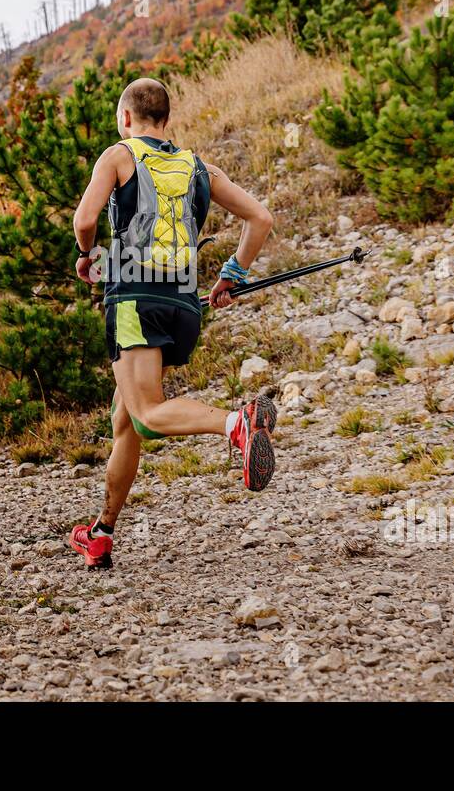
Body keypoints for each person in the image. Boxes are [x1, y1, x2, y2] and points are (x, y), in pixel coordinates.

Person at [67, 76, 275, 569]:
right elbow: (260, 219)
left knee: (146, 413)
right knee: (125, 420)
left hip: (135, 301)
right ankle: (101, 533)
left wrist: (88, 256)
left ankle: (236, 424)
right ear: (166, 119)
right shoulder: (200, 167)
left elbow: (84, 220)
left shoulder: (118, 156)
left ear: (125, 117)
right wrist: (232, 275)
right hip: (183, 306)